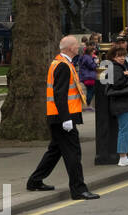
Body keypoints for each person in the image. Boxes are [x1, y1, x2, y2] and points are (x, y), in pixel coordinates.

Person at [26, 35, 99, 199]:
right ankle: (78, 189)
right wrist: (66, 119)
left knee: (55, 150)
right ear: (69, 48)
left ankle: (35, 181)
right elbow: (60, 94)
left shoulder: (61, 62)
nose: (79, 47)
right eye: (76, 45)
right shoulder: (64, 66)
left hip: (58, 116)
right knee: (73, 153)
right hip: (63, 118)